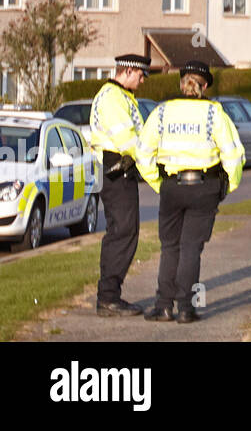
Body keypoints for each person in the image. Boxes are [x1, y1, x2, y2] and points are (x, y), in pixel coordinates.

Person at [135, 61, 244, 323]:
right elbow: (234, 154)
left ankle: (163, 306)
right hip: (204, 187)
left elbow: (143, 153)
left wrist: (157, 183)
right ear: (204, 87)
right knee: (191, 249)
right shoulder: (214, 113)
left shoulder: (162, 112)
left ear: (181, 84)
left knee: (169, 247)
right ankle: (186, 308)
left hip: (172, 187)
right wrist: (228, 185)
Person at [87, 53, 151, 317]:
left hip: (118, 169)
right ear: (128, 71)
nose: (143, 81)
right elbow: (128, 141)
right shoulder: (113, 98)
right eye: (141, 75)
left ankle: (109, 295)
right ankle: (108, 298)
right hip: (116, 169)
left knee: (122, 231)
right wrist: (153, 165)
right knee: (123, 232)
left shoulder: (121, 96)